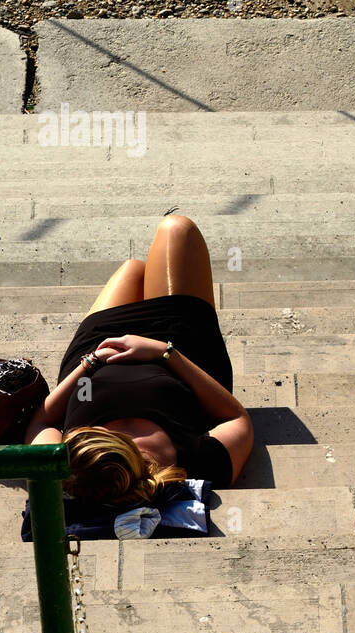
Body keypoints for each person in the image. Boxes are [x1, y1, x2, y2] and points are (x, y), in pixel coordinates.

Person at [22, 215, 254, 502]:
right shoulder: (193, 463)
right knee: (176, 229)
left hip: (101, 343)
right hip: (179, 339)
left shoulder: (67, 465)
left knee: (134, 269)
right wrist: (164, 352)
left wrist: (90, 363)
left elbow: (42, 421)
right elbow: (238, 418)